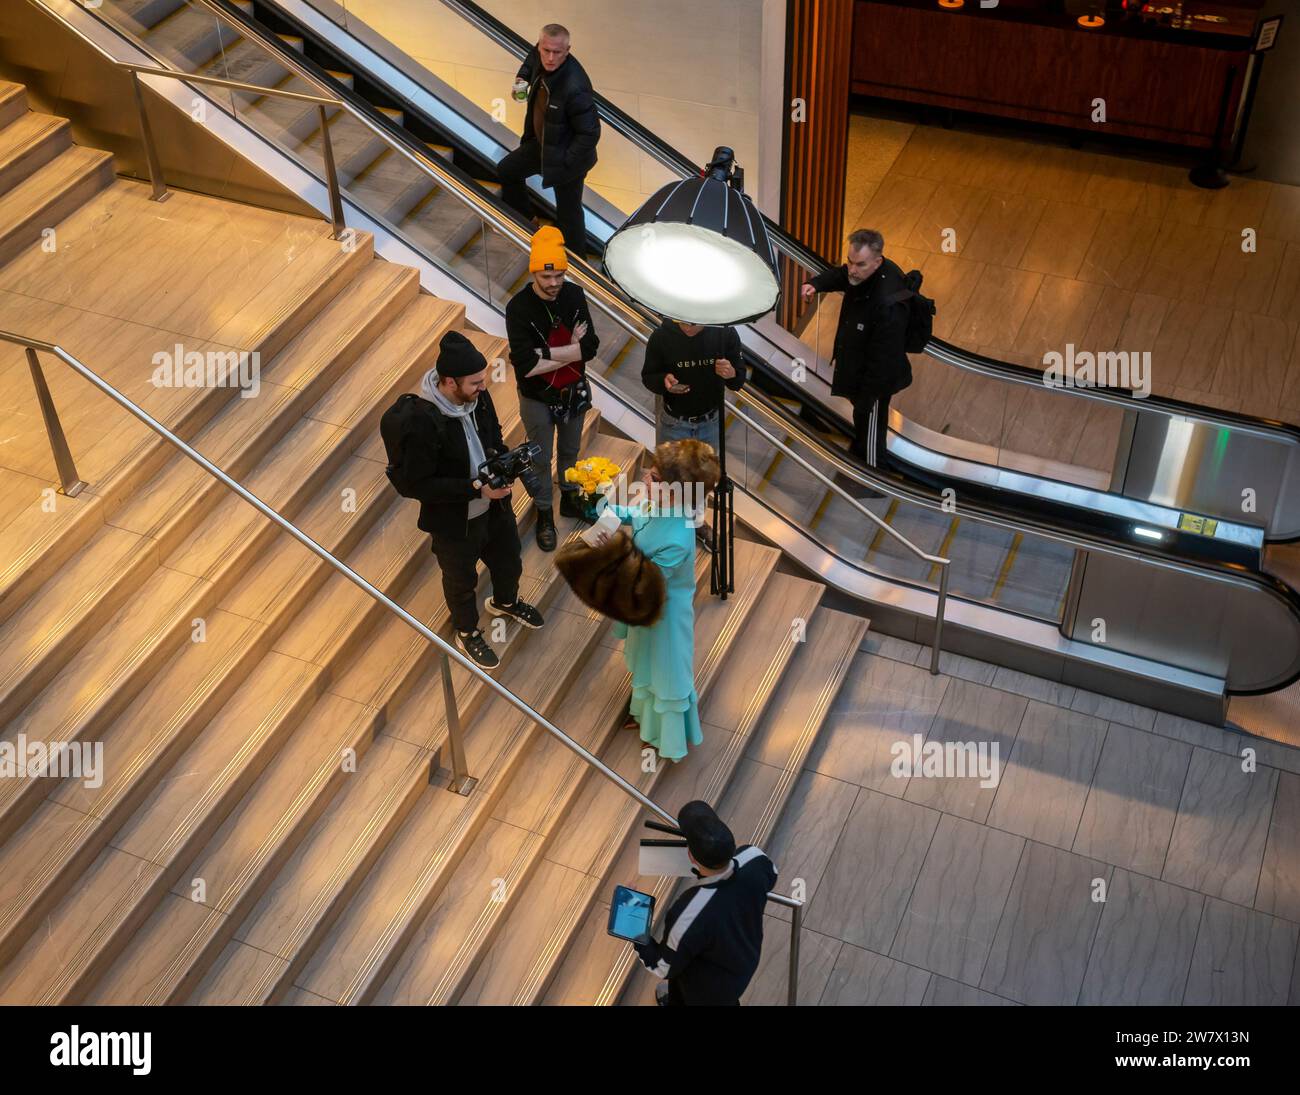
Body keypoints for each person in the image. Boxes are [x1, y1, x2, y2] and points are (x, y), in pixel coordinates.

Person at [408, 331, 545, 671]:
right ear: (449, 382)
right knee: (461, 580)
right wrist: (476, 489)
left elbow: (493, 435)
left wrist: (502, 460)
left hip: (494, 507)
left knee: (509, 559)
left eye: (483, 380)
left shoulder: (479, 398)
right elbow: (420, 485)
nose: (483, 388)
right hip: (455, 521)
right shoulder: (422, 421)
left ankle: (505, 602)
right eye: (475, 383)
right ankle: (467, 631)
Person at [593, 440, 717, 762]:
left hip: (665, 617)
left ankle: (667, 737)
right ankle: (644, 718)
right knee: (645, 662)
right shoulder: (658, 504)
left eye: (655, 479)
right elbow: (635, 514)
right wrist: (606, 509)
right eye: (650, 473)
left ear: (678, 492)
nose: (646, 480)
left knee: (666, 672)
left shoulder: (678, 537)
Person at [506, 225, 600, 551]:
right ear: (534, 273)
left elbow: (590, 347)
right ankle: (544, 510)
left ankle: (570, 499)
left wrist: (543, 355)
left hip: (572, 392)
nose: (554, 283)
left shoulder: (574, 295)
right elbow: (525, 365)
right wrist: (568, 351)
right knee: (541, 457)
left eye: (559, 275)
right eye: (547, 277)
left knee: (571, 451)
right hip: (537, 398)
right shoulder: (518, 308)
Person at [633, 800, 778, 1007]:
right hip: (742, 964)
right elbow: (772, 875)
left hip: (706, 991)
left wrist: (635, 923)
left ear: (691, 856)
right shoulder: (754, 857)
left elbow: (663, 967)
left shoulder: (688, 912)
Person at [800, 228, 911, 468]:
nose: (852, 269)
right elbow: (841, 275)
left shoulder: (888, 302)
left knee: (871, 426)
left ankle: (872, 477)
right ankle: (861, 453)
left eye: (859, 264)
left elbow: (883, 362)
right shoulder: (861, 274)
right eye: (850, 261)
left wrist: (866, 400)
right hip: (857, 371)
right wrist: (815, 284)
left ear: (877, 261)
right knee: (862, 421)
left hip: (873, 383)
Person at [499, 23, 600, 256]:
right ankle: (527, 223)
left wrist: (566, 160)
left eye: (557, 52)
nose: (550, 58)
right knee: (507, 170)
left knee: (569, 213)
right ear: (540, 45)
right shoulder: (539, 53)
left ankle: (578, 267)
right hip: (544, 144)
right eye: (546, 50)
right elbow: (529, 63)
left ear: (568, 50)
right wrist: (521, 80)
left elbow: (590, 133)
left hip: (567, 156)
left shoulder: (575, 87)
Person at [640, 319, 746, 455]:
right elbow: (648, 376)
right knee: (670, 474)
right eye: (681, 322)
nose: (688, 328)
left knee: (706, 474)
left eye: (693, 324)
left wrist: (731, 373)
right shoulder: (661, 336)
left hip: (711, 423)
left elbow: (739, 380)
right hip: (674, 423)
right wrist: (663, 381)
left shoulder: (724, 333)